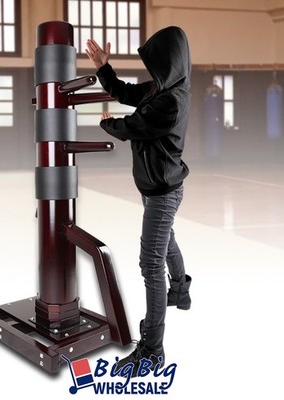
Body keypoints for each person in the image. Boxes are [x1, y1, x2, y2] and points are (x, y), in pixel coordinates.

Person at [86, 26, 192, 373]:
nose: (152, 70)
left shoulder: (171, 102)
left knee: (150, 264)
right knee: (166, 239)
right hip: (158, 187)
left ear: (170, 63)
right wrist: (104, 67)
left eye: (156, 63)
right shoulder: (160, 89)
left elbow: (134, 125)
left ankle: (152, 349)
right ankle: (181, 290)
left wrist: (108, 125)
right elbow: (125, 92)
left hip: (162, 192)